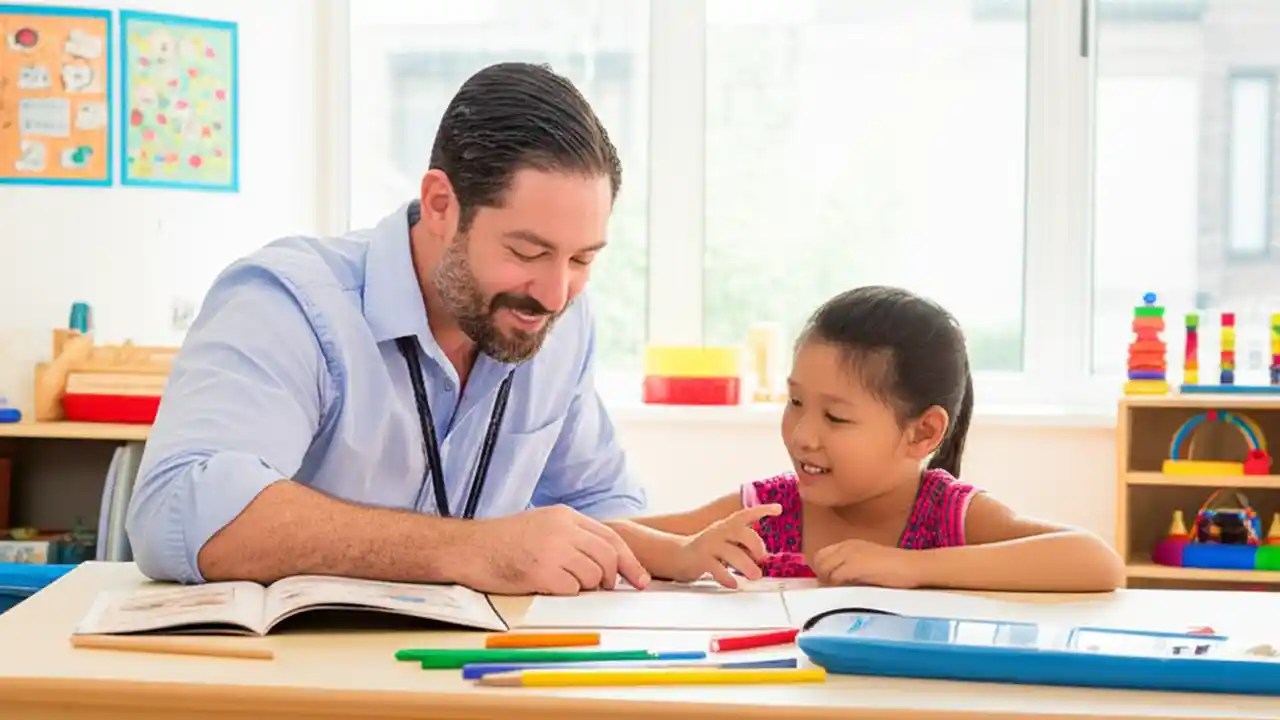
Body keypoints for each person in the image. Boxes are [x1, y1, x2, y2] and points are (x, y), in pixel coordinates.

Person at [126, 62, 653, 595]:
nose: (555, 294)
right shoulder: (289, 302)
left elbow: (602, 506)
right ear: (441, 205)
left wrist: (701, 538)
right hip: (292, 671)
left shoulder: (557, 321)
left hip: (481, 669)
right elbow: (177, 508)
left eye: (582, 259)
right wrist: (471, 549)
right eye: (527, 252)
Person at [610, 286, 1125, 592]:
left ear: (922, 432)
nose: (802, 435)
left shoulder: (949, 516)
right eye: (794, 403)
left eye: (835, 418)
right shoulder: (768, 511)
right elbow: (609, 535)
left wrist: (912, 567)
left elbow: (1096, 562)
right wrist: (686, 554)